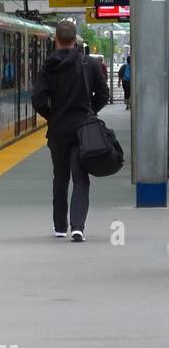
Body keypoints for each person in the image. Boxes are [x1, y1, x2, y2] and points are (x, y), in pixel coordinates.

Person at [31, 20, 109, 243]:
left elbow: (38, 100)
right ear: (75, 41)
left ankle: (59, 226)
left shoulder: (48, 66)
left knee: (60, 177)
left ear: (56, 40)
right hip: (84, 130)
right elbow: (103, 94)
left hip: (58, 131)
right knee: (81, 177)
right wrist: (90, 112)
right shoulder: (89, 64)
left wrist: (52, 116)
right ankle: (78, 227)